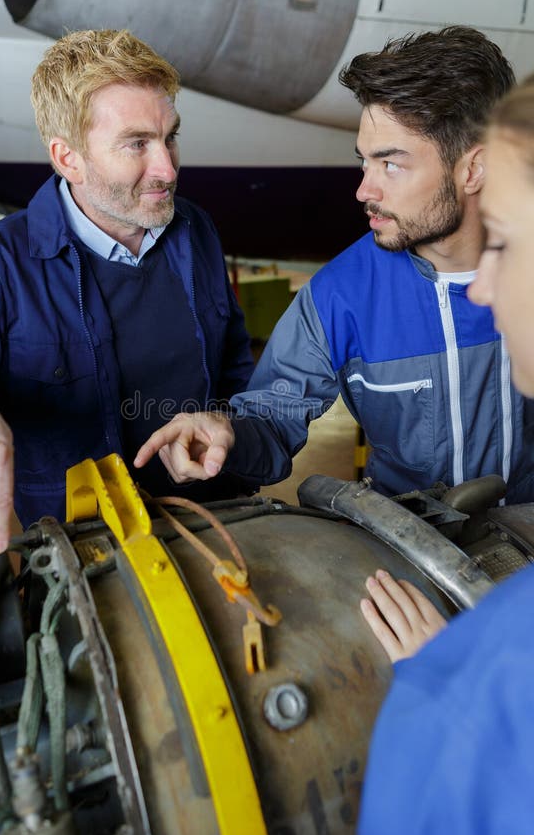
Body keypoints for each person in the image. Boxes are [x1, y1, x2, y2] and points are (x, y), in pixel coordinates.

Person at [134, 26, 534, 510]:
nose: (364, 190)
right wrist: (229, 434)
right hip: (408, 547)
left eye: (391, 165)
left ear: (474, 169)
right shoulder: (338, 296)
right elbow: (272, 418)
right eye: (365, 162)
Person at [0, 29, 253, 552]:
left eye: (170, 137)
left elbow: (234, 361)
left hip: (214, 526)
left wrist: (232, 431)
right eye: (136, 144)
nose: (167, 169)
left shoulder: (194, 229)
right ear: (68, 158)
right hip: (85, 556)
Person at [357, 74, 534, 835]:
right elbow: (272, 408)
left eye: (505, 242)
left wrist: (457, 687)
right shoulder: (343, 291)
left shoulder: (455, 714)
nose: (483, 289)